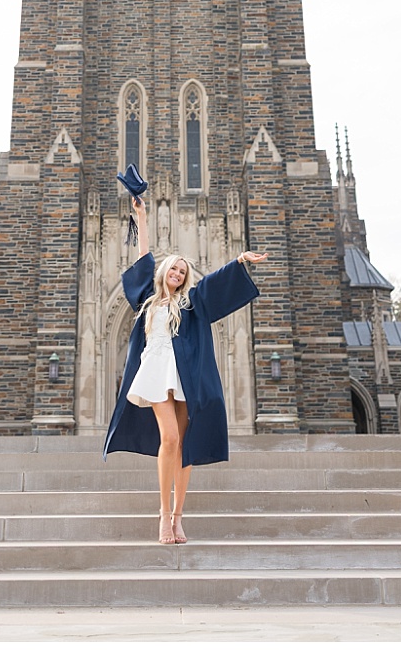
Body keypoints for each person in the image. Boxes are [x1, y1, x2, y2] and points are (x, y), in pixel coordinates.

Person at [104, 196, 267, 544]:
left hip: (184, 374)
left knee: (185, 444)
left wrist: (239, 261)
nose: (177, 274)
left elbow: (214, 285)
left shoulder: (190, 303)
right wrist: (141, 216)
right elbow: (142, 257)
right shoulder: (147, 298)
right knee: (170, 438)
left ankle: (179, 517)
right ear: (165, 273)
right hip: (155, 372)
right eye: (173, 269)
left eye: (182, 271)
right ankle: (164, 516)